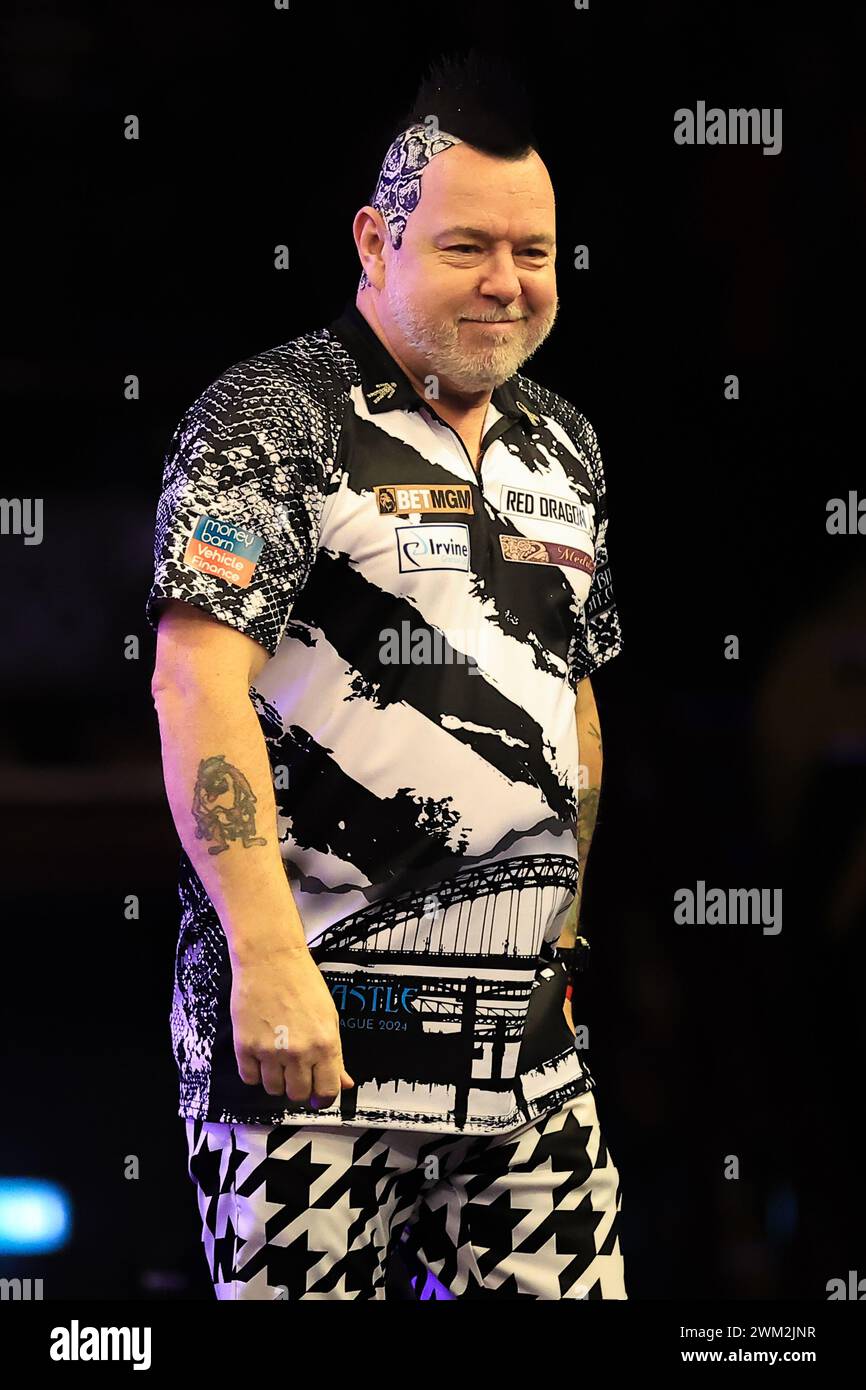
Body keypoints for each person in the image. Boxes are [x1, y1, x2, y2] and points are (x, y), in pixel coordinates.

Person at [146, 49, 627, 1300]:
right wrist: (263, 958)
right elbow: (194, 682)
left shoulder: (564, 442)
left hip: (522, 1054)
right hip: (311, 1045)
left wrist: (558, 953)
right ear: (375, 240)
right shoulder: (271, 418)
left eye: (534, 253)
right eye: (469, 247)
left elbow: (569, 703)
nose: (509, 284)